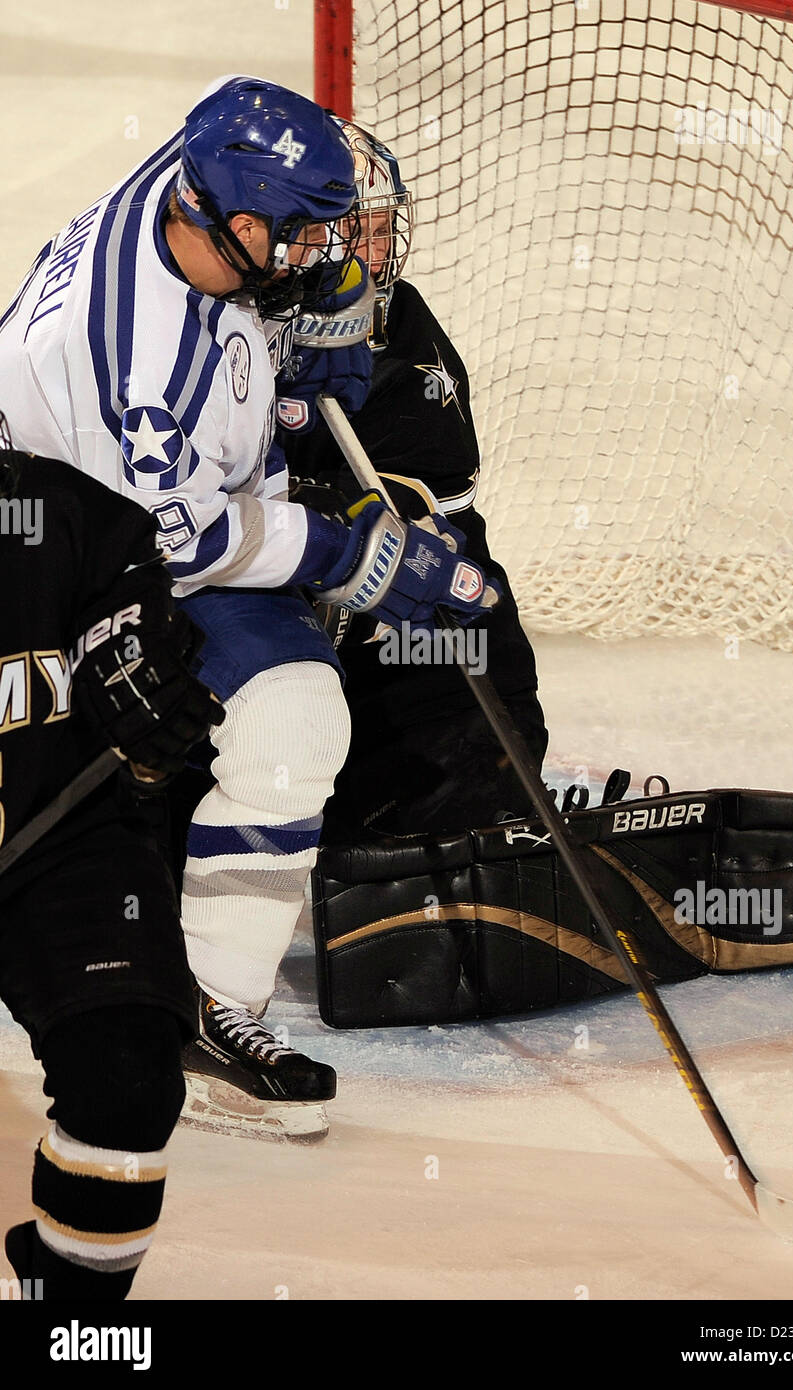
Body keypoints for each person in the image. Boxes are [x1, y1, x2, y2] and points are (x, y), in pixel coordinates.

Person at [0, 78, 500, 1140]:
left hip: (133, 501)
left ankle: (212, 1002)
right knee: (271, 718)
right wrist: (346, 552)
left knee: (291, 715)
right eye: (306, 234)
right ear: (235, 222)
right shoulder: (132, 369)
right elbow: (181, 542)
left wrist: (295, 330)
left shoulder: (192, 189)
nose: (331, 249)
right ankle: (147, 995)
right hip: (65, 559)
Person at [0, 415, 223, 1299]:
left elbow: (126, 601)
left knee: (128, 1083)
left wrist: (138, 670)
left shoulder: (56, 510)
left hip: (61, 834)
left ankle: (69, 1311)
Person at [278, 119, 549, 840]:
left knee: (471, 618)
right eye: (347, 231)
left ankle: (450, 808)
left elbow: (435, 518)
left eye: (378, 229)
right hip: (231, 604)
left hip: (357, 618)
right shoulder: (207, 327)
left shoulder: (407, 347)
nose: (368, 254)